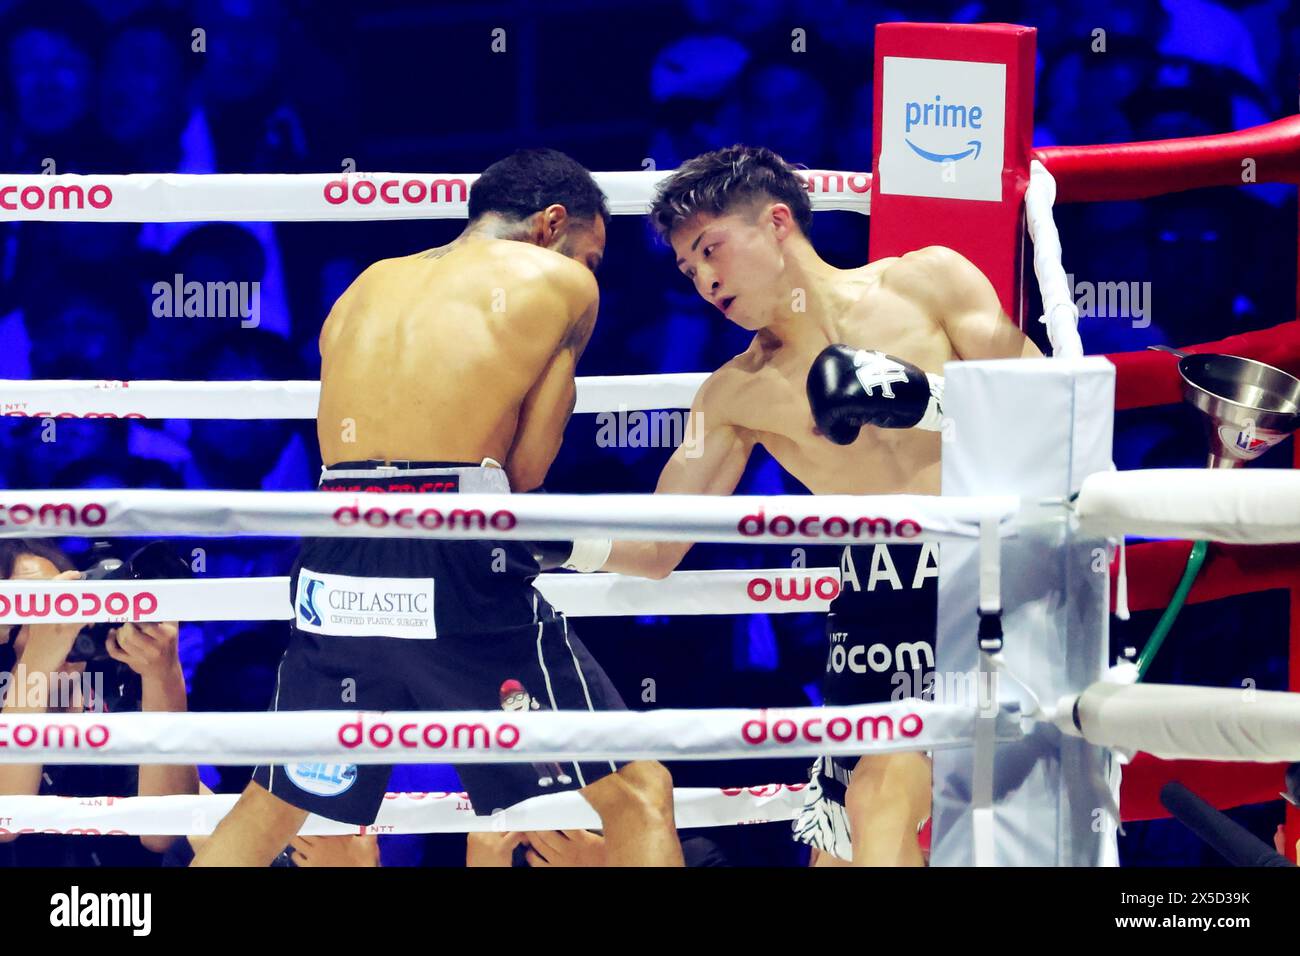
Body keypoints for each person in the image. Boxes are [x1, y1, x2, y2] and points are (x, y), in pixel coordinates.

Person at [193, 148, 682, 867]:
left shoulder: (366, 285)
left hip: (336, 550)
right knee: (638, 791)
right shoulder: (563, 282)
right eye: (592, 251)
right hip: (451, 544)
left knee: (277, 801)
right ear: (552, 224)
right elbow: (525, 472)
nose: (591, 268)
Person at [600, 144, 1042, 865]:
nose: (704, 279)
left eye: (711, 249)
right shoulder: (734, 393)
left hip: (986, 569)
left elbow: (1049, 403)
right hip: (875, 601)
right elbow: (654, 547)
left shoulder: (927, 281)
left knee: (882, 796)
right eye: (688, 268)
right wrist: (533, 542)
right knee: (845, 839)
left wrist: (927, 403)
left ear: (777, 222)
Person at [0, 539, 196, 866]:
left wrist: (164, 674)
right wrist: (35, 665)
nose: (57, 621)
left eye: (62, 602)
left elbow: (165, 835)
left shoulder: (118, 688)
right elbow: (5, 819)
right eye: (34, 607)